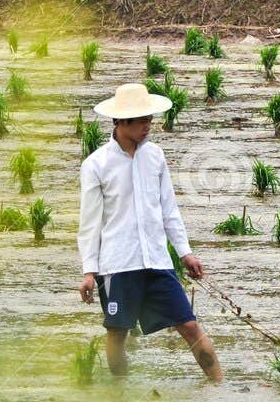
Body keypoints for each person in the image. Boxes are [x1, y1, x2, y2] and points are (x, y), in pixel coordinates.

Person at [77, 83, 222, 380]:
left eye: (150, 119)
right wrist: (89, 271)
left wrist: (185, 252)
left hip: (157, 261)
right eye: (142, 120)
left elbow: (169, 209)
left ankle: (219, 388)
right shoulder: (96, 165)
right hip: (118, 264)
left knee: (189, 325)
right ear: (122, 122)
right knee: (117, 332)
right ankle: (118, 395)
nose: (148, 126)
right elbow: (90, 223)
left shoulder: (155, 156)